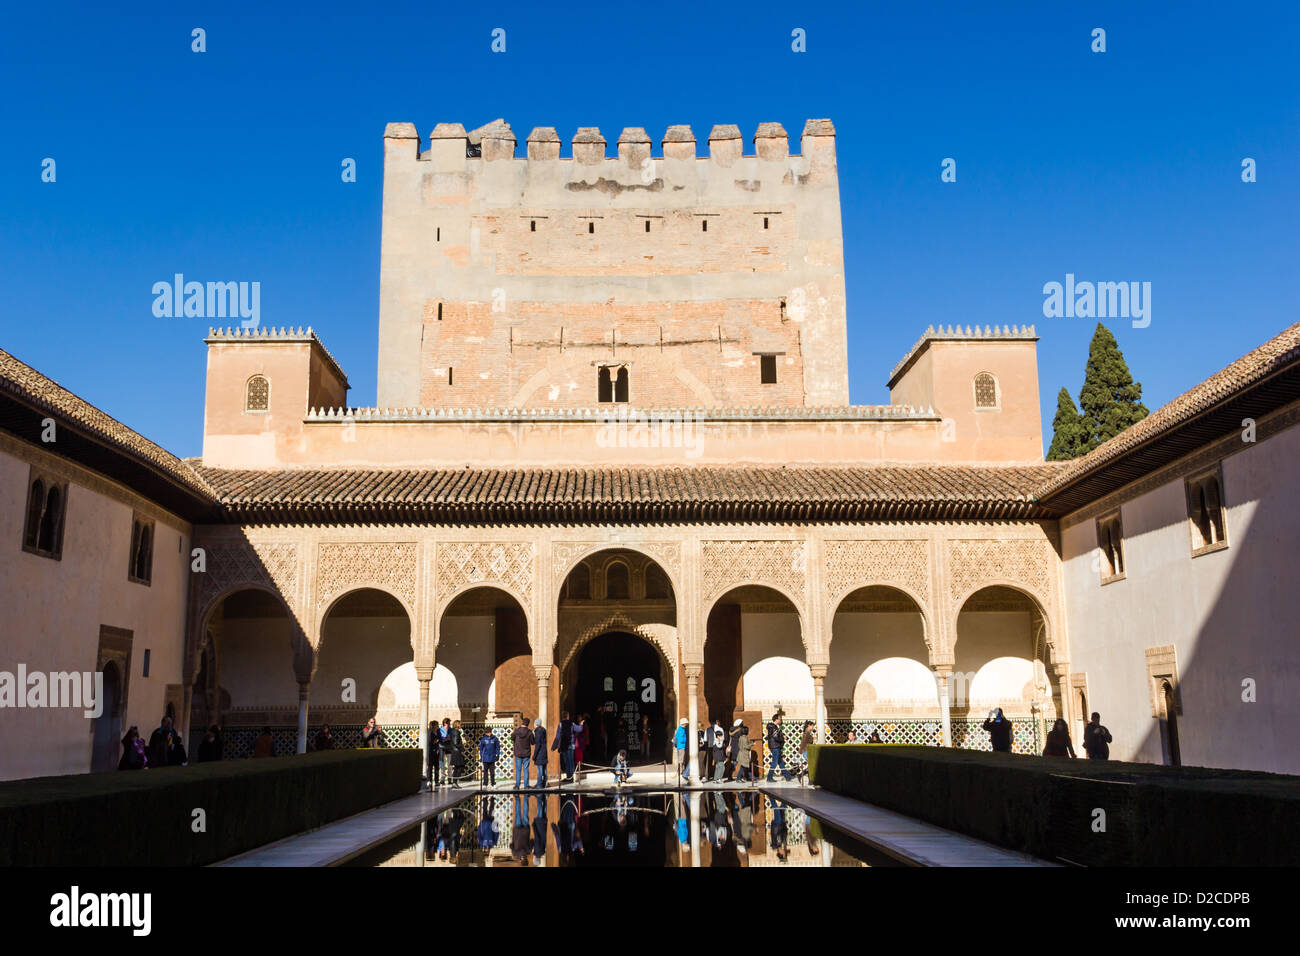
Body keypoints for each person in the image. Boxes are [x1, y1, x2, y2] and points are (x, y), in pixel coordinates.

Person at [765, 713, 792, 782]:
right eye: (780, 719)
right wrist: (783, 738)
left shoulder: (774, 727)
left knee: (780, 762)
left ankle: (787, 776)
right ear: (776, 719)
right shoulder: (774, 727)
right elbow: (776, 737)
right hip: (775, 746)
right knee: (774, 762)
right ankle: (769, 777)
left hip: (776, 746)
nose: (781, 720)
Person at [552, 711, 576, 783]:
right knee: (571, 762)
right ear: (568, 716)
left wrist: (554, 746)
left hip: (564, 746)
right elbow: (579, 729)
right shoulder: (572, 724)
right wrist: (581, 725)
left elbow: (557, 736)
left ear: (562, 716)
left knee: (566, 762)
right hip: (570, 745)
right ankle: (571, 777)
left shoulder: (560, 724)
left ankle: (568, 777)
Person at [512, 717, 534, 789]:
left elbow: (512, 738)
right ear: (528, 724)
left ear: (522, 723)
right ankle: (526, 785)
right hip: (526, 753)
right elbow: (533, 742)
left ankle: (517, 786)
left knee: (518, 770)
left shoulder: (516, 731)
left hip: (518, 753)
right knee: (526, 769)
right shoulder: (530, 732)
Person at [531, 720, 549, 789]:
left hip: (540, 753)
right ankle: (544, 783)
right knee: (544, 769)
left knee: (540, 769)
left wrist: (534, 755)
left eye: (534, 724)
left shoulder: (538, 732)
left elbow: (537, 744)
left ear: (536, 724)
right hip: (544, 752)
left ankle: (539, 784)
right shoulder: (543, 730)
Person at [674, 717, 691, 782]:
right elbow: (681, 739)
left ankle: (681, 771)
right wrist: (686, 741)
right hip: (682, 746)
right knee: (681, 760)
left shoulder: (680, 729)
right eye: (686, 723)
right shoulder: (681, 730)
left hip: (680, 746)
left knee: (682, 759)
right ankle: (680, 772)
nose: (686, 724)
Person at [438, 717, 454, 785]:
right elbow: (439, 738)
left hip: (449, 747)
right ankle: (442, 778)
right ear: (444, 723)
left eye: (449, 723)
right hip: (442, 747)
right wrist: (444, 739)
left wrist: (448, 738)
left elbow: (452, 737)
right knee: (442, 763)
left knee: (450, 763)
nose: (449, 724)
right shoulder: (440, 730)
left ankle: (450, 778)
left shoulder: (451, 730)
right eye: (448, 723)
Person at [573, 714, 588, 781]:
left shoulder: (584, 725)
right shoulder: (575, 724)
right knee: (577, 753)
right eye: (578, 717)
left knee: (580, 753)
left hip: (581, 740)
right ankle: (577, 766)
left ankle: (580, 766)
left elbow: (584, 732)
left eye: (580, 717)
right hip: (577, 740)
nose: (579, 718)